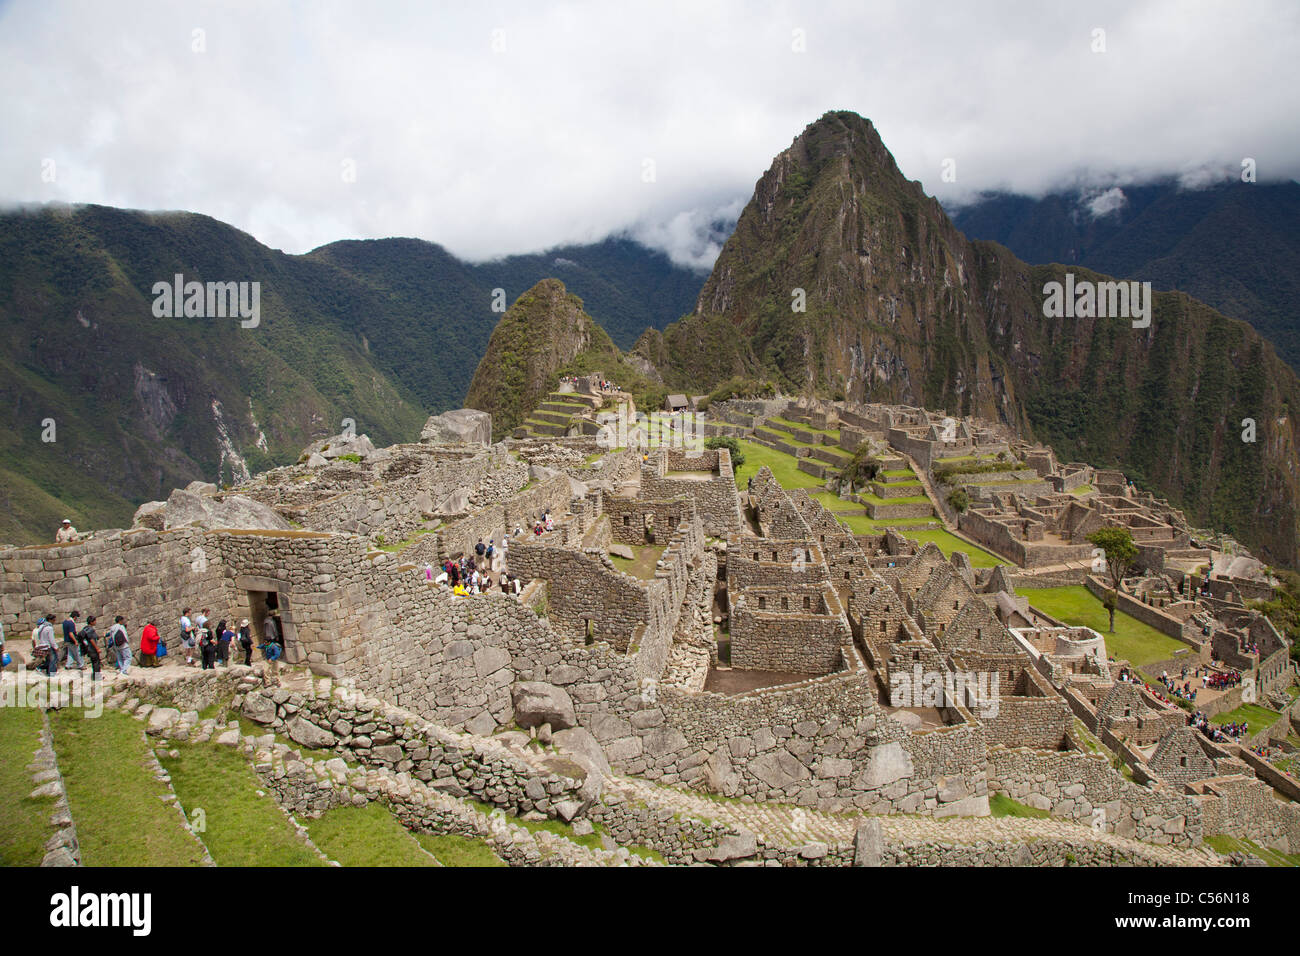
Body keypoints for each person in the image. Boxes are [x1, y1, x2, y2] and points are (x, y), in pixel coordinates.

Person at [78, 615, 103, 682]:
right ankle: (97, 677)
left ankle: (95, 676)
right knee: (96, 662)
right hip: (92, 649)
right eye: (94, 621)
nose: (95, 622)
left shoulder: (85, 628)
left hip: (88, 649)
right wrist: (97, 648)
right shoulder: (90, 629)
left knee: (94, 662)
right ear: (91, 622)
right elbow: (91, 639)